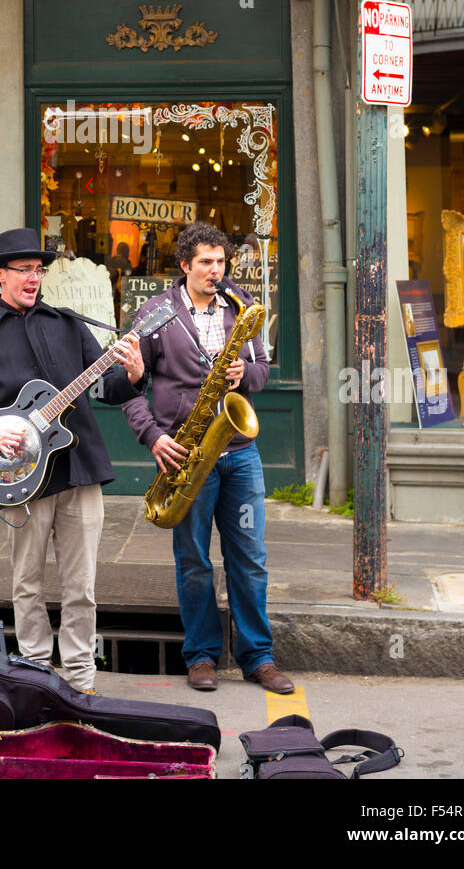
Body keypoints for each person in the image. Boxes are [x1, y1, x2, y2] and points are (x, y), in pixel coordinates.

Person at [0, 227, 145, 694]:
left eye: (38, 270)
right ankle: (35, 677)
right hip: (19, 478)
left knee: (81, 586)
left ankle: (83, 680)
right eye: (23, 270)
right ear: (0, 275)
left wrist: (134, 375)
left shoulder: (67, 323)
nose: (33, 278)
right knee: (27, 585)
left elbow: (105, 389)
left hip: (78, 469)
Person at [122, 220, 295, 695]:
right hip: (186, 452)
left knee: (250, 558)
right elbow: (127, 388)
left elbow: (262, 370)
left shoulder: (240, 307)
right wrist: (153, 436)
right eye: (205, 263)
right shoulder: (155, 313)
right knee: (195, 560)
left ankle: (258, 658)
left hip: (240, 451)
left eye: (221, 262)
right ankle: (200, 656)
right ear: (184, 265)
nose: (215, 271)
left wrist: (246, 374)